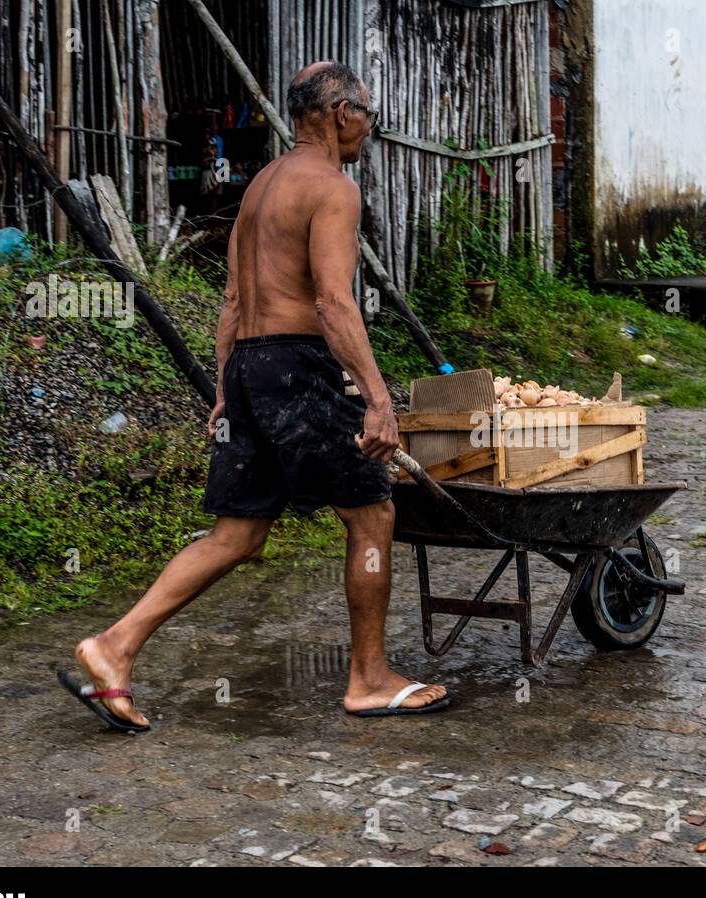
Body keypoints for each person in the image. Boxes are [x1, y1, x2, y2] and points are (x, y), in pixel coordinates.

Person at [58, 61, 449, 731]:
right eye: (368, 116)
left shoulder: (263, 186)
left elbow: (235, 300)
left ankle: (114, 646)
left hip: (249, 365)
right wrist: (378, 398)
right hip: (296, 368)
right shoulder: (330, 188)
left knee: (236, 533)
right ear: (336, 113)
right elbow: (332, 302)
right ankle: (369, 678)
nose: (369, 129)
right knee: (372, 515)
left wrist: (226, 388)